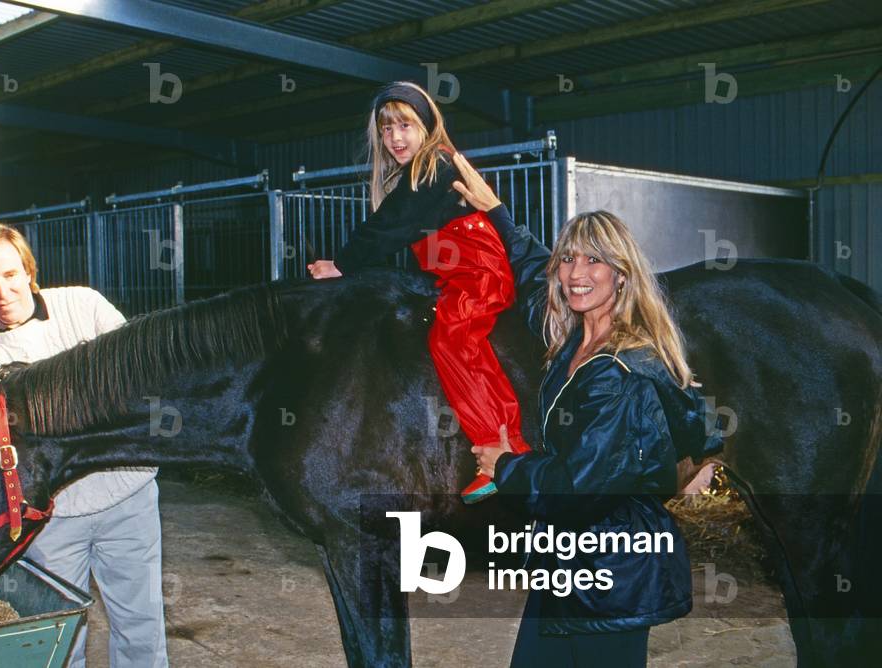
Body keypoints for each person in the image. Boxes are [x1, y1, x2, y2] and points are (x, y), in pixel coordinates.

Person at [454, 154, 724, 667]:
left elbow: (578, 488)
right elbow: (538, 271)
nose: (577, 274)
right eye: (569, 259)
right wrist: (497, 212)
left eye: (593, 261)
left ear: (621, 275)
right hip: (573, 563)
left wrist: (504, 465)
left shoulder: (618, 370)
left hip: (611, 573)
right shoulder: (578, 337)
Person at [0, 224, 168, 668]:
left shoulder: (83, 306)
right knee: (60, 636)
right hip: (50, 519)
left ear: (29, 270)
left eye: (10, 274)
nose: (1, 291)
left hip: (128, 493)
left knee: (141, 626)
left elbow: (140, 377)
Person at [308, 81, 531, 503]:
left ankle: (501, 449)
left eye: (405, 126)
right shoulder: (414, 176)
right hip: (457, 278)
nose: (395, 138)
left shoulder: (434, 166)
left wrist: (341, 264)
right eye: (386, 130)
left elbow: (386, 228)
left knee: (453, 339)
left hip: (481, 275)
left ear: (427, 126)